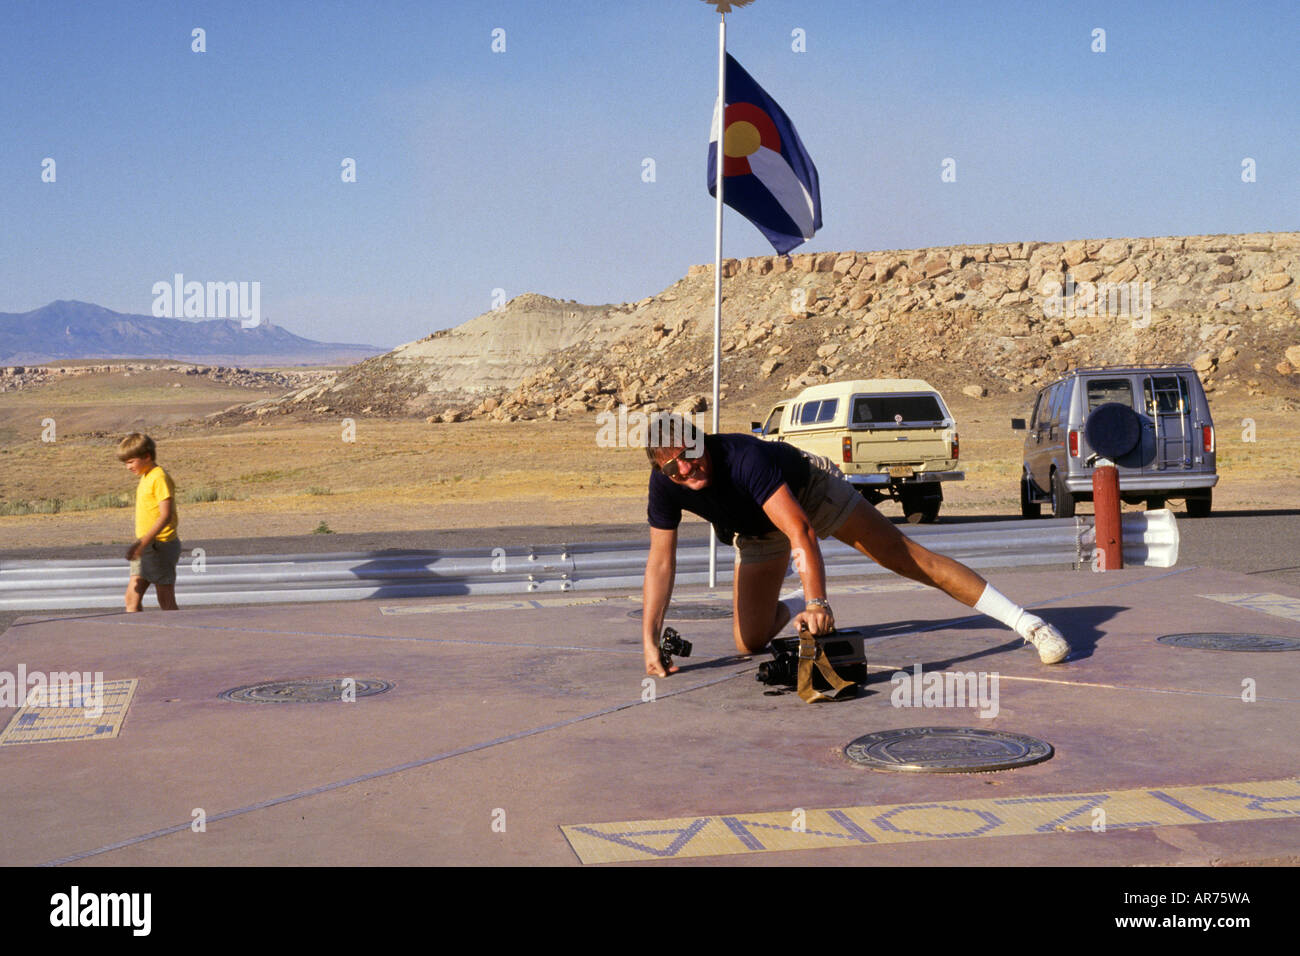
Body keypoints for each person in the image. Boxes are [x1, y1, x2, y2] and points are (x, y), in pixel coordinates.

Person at [640, 413, 1069, 678]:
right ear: (661, 468)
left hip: (810, 496)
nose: (685, 468)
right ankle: (793, 601)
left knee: (907, 559)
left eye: (689, 453)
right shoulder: (666, 485)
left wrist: (820, 602)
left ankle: (1029, 624)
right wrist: (649, 637)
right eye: (672, 466)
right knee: (749, 641)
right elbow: (661, 563)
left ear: (701, 440)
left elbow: (801, 532)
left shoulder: (744, 457)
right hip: (755, 533)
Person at [116, 433, 181, 612]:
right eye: (125, 463)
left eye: (131, 462)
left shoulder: (159, 477)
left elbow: (166, 515)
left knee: (165, 600)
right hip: (146, 547)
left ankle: (179, 636)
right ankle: (137, 638)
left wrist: (142, 544)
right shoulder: (147, 476)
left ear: (147, 456)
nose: (128, 467)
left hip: (159, 546)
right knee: (131, 598)